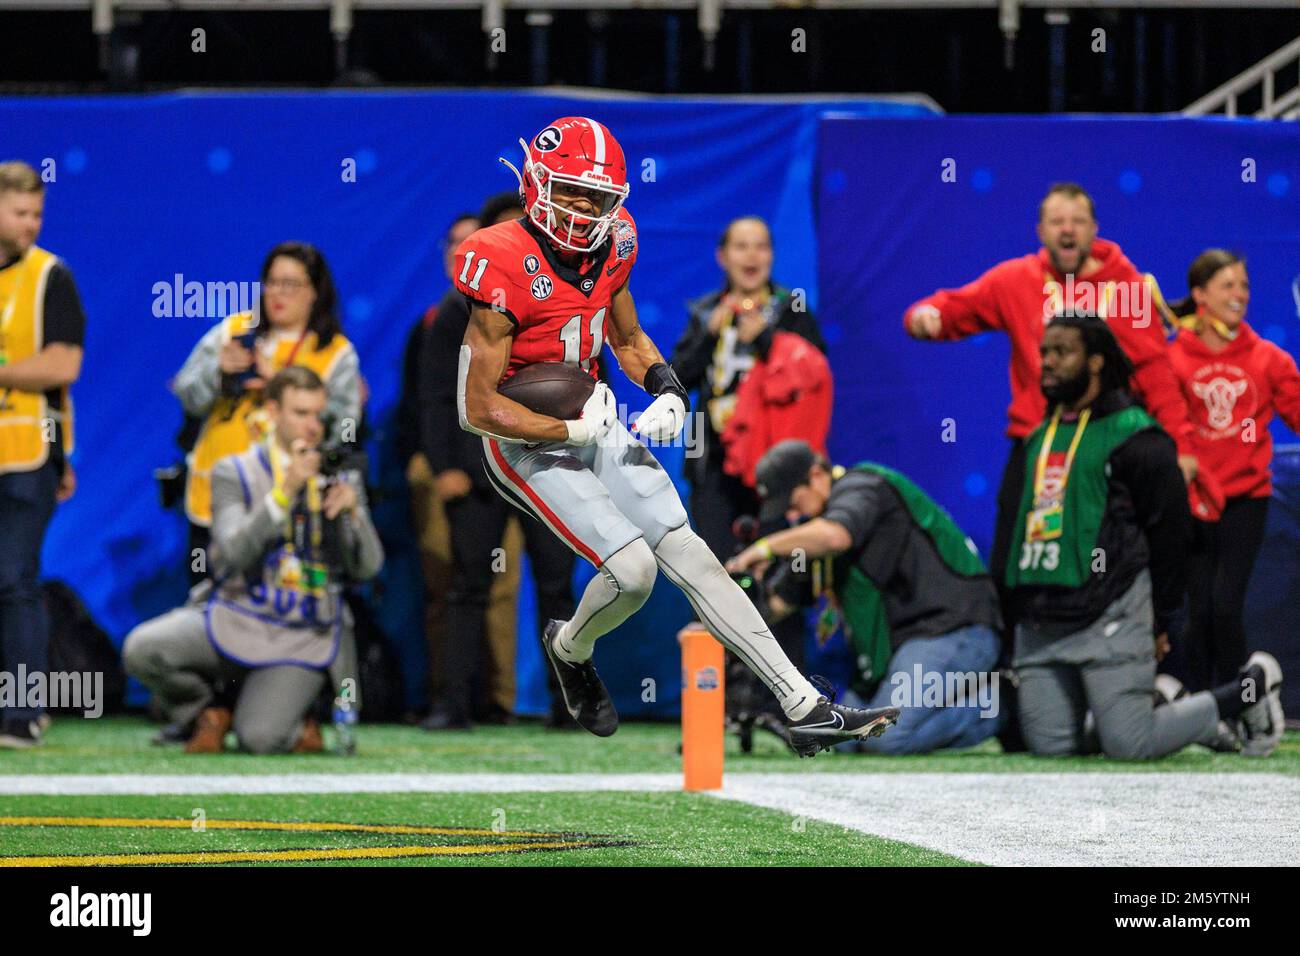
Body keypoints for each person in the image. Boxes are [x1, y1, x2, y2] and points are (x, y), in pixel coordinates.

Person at [454, 116, 898, 757]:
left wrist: (667, 389)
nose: (585, 210)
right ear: (537, 184)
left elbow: (627, 339)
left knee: (689, 551)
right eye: (572, 193)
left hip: (590, 415)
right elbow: (476, 408)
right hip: (521, 439)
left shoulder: (615, 244)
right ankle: (569, 645)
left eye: (598, 197)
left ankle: (804, 706)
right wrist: (569, 425)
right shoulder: (496, 260)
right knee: (633, 573)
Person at [903, 183, 1197, 624]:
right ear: (1040, 230)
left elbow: (1156, 374)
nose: (1068, 230)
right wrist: (927, 317)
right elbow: (956, 308)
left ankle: (1131, 654)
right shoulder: (1014, 280)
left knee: (1106, 557)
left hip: (1108, 450)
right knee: (1012, 562)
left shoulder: (1129, 288)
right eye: (1058, 221)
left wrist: (1183, 446)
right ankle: (1015, 664)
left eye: (1078, 222)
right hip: (1037, 445)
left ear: (1094, 229)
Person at [1004, 313, 1283, 759]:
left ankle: (1245, 694)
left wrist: (1159, 619)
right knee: (1051, 746)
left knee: (1129, 745)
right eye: (1044, 353)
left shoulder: (1139, 438)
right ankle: (1168, 709)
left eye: (1062, 352)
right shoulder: (1035, 439)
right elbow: (1010, 533)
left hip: (1110, 612)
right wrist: (1011, 617)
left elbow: (1170, 535)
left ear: (1096, 362)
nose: (1048, 363)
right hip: (1043, 621)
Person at [124, 367, 383, 754]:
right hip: (234, 614)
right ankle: (209, 711)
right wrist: (283, 494)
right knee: (143, 648)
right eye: (300, 413)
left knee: (260, 739)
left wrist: (354, 516)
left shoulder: (338, 473)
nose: (313, 425)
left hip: (302, 631)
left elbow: (369, 568)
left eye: (318, 414)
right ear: (273, 411)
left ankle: (290, 715)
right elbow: (230, 554)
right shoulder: (235, 470)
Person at [726, 440, 1003, 754]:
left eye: (792, 503)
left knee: (884, 738)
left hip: (953, 629)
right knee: (837, 741)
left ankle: (997, 709)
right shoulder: (811, 534)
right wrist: (722, 615)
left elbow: (836, 536)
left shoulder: (864, 485)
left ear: (817, 475)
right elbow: (778, 604)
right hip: (895, 649)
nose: (791, 515)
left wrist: (764, 548)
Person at [420, 192, 578, 730]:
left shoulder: (565, 298)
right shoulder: (455, 310)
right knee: (469, 585)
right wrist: (446, 466)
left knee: (558, 585)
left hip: (546, 463)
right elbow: (437, 396)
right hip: (478, 469)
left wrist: (577, 444)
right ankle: (454, 703)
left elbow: (582, 379)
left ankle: (568, 705)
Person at [173, 242, 362, 582]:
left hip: (289, 501)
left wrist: (278, 384)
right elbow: (185, 391)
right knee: (207, 601)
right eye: (272, 282)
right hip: (216, 493)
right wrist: (218, 374)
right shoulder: (235, 331)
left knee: (276, 604)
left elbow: (344, 428)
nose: (278, 293)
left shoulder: (335, 352)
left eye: (291, 284)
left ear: (314, 292)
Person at [1165, 250, 1300, 690]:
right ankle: (1202, 713)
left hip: (1245, 500)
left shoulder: (1268, 359)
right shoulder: (1171, 360)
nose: (1239, 295)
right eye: (1228, 285)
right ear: (1200, 294)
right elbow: (1167, 421)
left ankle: (1239, 705)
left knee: (1224, 606)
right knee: (1197, 610)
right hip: (1191, 502)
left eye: (1243, 285)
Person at [671, 216, 828, 561]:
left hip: (775, 459)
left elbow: (814, 377)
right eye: (741, 246)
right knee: (718, 569)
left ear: (772, 255)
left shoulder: (793, 310)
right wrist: (706, 337)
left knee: (776, 567)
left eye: (761, 246)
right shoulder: (705, 313)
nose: (751, 256)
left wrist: (767, 340)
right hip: (713, 463)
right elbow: (675, 381)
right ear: (722, 256)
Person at [0, 161, 84, 749]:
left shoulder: (52, 276)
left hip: (30, 453)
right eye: (20, 212)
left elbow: (62, 365)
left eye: (37, 214)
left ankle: (23, 711)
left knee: (13, 578)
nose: (31, 224)